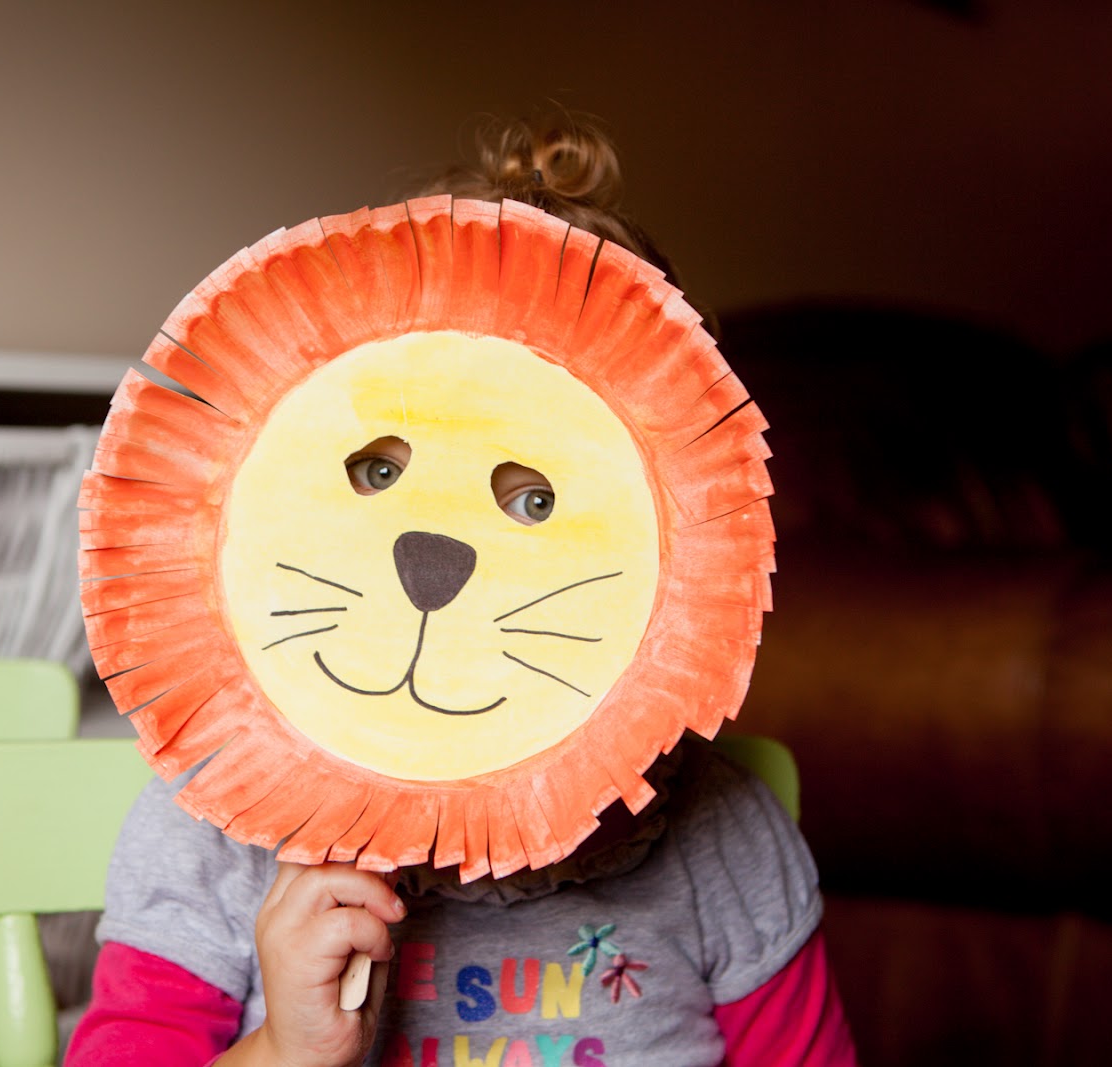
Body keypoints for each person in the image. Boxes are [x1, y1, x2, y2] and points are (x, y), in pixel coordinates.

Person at [66, 114, 857, 1067]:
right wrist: (285, 1048)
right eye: (375, 472)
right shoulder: (215, 828)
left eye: (535, 498)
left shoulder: (718, 838)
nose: (435, 551)